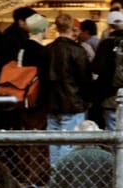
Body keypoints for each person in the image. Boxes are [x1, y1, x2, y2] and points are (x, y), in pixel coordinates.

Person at [39, 13, 93, 164]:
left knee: (54, 143)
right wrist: (88, 100)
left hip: (51, 103)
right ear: (73, 29)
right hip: (73, 103)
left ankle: (56, 178)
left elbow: (41, 77)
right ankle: (66, 180)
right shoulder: (77, 51)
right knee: (70, 144)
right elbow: (85, 80)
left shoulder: (46, 50)